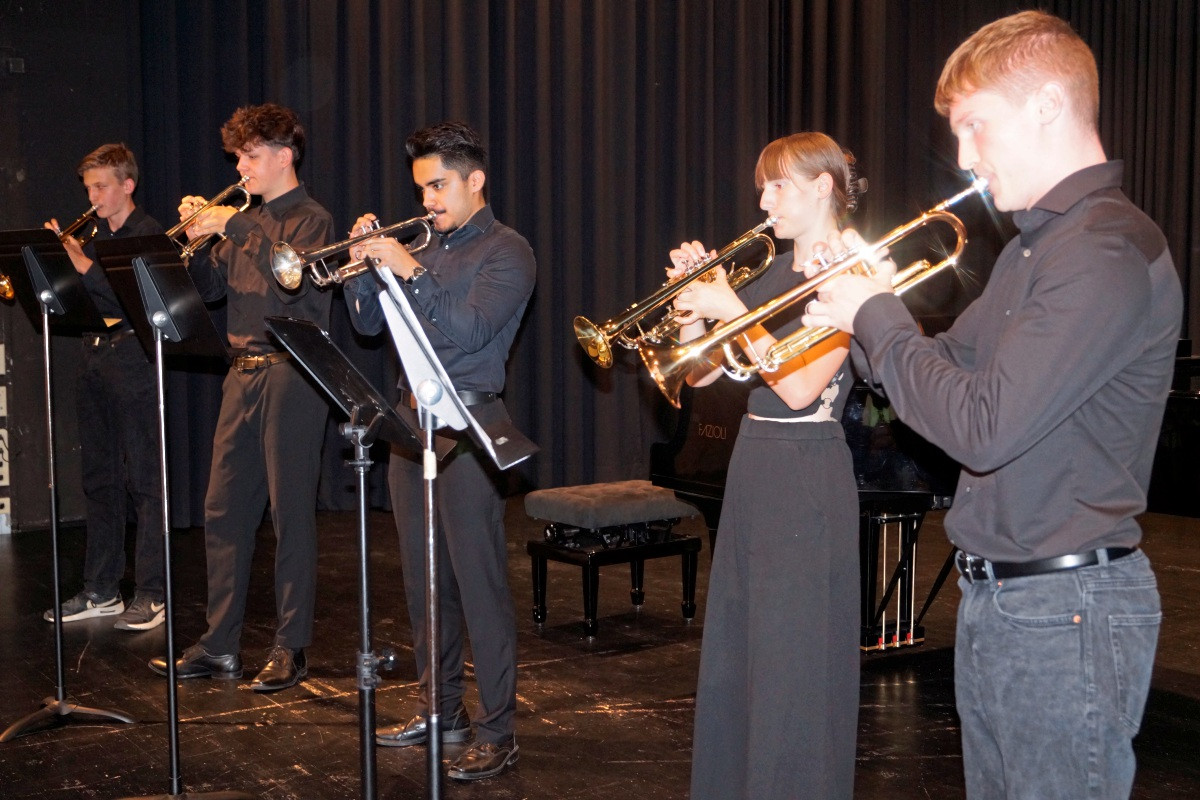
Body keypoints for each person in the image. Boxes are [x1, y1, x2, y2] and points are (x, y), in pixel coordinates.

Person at [802, 11, 1181, 798]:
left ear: (1045, 105)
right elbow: (943, 373)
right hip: (1007, 602)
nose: (965, 157)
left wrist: (877, 314)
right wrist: (855, 313)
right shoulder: (1032, 250)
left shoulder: (1105, 249)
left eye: (976, 127)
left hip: (1065, 606)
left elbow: (983, 428)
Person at [670, 132, 866, 800]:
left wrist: (733, 308)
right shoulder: (769, 274)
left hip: (806, 471)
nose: (763, 199)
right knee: (739, 662)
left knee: (794, 670)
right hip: (755, 465)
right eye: (763, 185)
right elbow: (697, 379)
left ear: (822, 187)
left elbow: (800, 387)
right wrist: (694, 310)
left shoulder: (855, 269)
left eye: (777, 185)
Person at [341, 121, 535, 781]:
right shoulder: (425, 244)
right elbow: (369, 326)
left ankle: (498, 730)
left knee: (479, 589)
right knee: (426, 586)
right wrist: (363, 267)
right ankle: (440, 710)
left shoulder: (508, 252)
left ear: (475, 180)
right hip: (409, 424)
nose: (427, 199)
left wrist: (408, 267)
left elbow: (469, 330)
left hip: (470, 432)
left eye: (438, 185)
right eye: (422, 186)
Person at [147, 103, 334, 693]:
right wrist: (198, 243)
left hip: (293, 375)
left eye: (249, 157)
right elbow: (209, 293)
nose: (241, 167)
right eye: (237, 158)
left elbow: (291, 280)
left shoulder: (310, 220)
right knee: (222, 511)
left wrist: (230, 224)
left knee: (290, 515)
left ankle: (290, 646)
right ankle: (220, 644)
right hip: (241, 372)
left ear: (283, 155)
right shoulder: (244, 223)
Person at [41, 143, 167, 632]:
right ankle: (102, 589)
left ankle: (153, 593)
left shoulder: (148, 232)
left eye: (101, 187)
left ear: (127, 185)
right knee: (99, 479)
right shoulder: (92, 238)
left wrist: (83, 266)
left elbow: (138, 299)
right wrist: (55, 264)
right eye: (88, 188)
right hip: (93, 357)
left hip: (133, 358)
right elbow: (77, 299)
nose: (92, 198)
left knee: (145, 480)